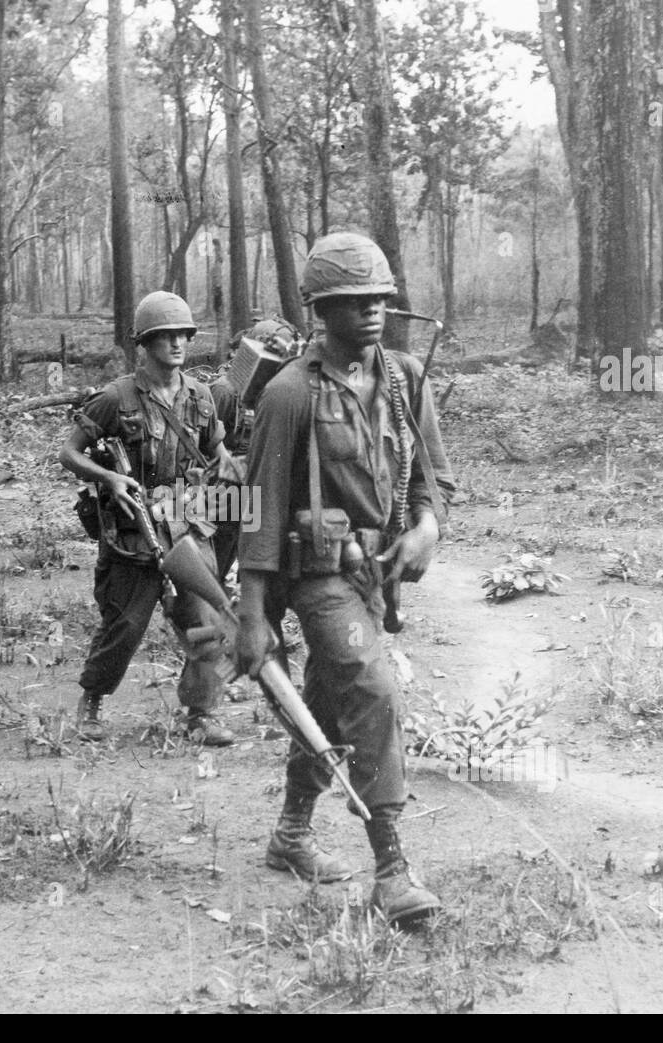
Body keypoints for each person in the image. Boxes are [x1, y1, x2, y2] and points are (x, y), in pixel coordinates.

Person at [235, 233, 456, 926]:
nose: (369, 314)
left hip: (376, 574)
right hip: (316, 576)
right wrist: (252, 613)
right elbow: (259, 510)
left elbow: (431, 477)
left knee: (330, 696)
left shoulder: (402, 378)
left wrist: (427, 526)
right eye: (351, 302)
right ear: (319, 311)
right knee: (372, 683)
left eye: (379, 301)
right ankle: (392, 867)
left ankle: (291, 830)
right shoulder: (290, 393)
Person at [60, 291, 240, 747]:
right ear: (144, 342)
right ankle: (93, 700)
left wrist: (233, 472)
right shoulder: (114, 398)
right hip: (133, 532)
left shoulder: (201, 397)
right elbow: (69, 453)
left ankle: (199, 714)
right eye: (166, 336)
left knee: (208, 621)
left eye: (183, 334)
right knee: (125, 624)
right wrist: (110, 479)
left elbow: (217, 453)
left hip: (188, 527)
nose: (177, 343)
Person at [209, 317, 301, 584]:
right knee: (215, 560)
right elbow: (208, 452)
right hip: (223, 496)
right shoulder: (225, 391)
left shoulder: (275, 394)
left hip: (253, 494)